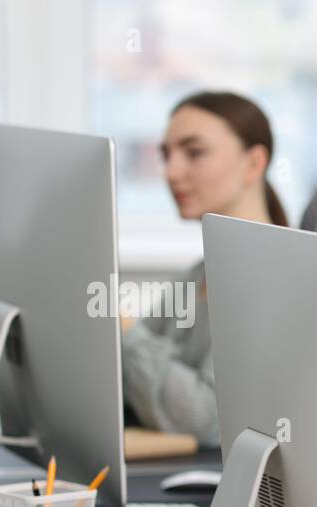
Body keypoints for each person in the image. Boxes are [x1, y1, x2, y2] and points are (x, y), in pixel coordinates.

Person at [122, 91, 286, 446]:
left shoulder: (277, 282)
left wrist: (123, 328)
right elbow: (131, 379)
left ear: (254, 163)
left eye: (194, 152)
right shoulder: (198, 276)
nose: (171, 172)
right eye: (166, 156)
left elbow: (204, 418)